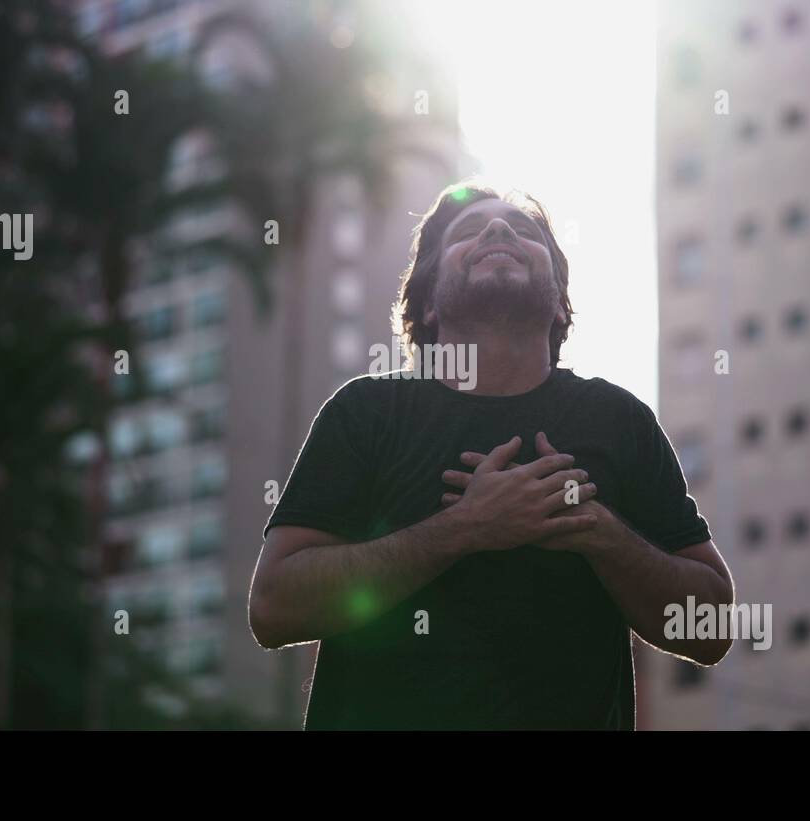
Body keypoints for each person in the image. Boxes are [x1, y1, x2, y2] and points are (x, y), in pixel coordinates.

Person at [249, 182, 733, 729]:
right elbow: (272, 607)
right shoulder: (364, 414)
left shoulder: (620, 420)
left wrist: (601, 532)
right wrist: (465, 527)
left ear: (558, 303)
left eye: (525, 232)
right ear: (428, 303)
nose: (500, 231)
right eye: (469, 233)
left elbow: (710, 630)